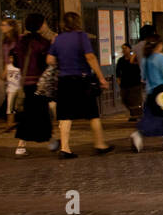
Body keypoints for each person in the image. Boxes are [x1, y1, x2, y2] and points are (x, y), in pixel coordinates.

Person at [47, 11, 113, 158]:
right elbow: (90, 57)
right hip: (82, 79)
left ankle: (65, 148)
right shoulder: (81, 36)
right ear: (77, 22)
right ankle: (100, 144)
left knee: (65, 115)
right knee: (92, 113)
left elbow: (49, 60)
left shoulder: (57, 39)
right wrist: (101, 78)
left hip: (64, 81)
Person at [130, 35, 163, 152]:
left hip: (150, 91)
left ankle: (139, 134)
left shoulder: (146, 59)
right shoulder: (161, 57)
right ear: (159, 45)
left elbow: (143, 77)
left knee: (151, 115)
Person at [13, 14, 54, 156]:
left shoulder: (20, 42)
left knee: (29, 112)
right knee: (41, 112)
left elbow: (15, 62)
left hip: (25, 82)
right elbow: (47, 62)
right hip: (39, 82)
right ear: (40, 25)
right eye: (44, 23)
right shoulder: (43, 43)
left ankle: (22, 145)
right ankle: (48, 141)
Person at [0, 18, 22, 130]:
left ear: (11, 27)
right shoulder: (5, 41)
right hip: (10, 69)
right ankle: (10, 122)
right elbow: (6, 57)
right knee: (10, 94)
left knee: (20, 95)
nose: (1, 27)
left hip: (19, 68)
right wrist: (5, 70)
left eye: (4, 25)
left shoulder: (19, 39)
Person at [115, 43, 144, 120]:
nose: (123, 50)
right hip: (124, 84)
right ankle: (134, 114)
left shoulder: (135, 59)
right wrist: (118, 81)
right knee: (125, 100)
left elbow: (141, 68)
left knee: (136, 101)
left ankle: (137, 116)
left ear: (130, 49)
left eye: (125, 48)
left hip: (135, 83)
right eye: (122, 48)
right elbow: (118, 72)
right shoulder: (121, 60)